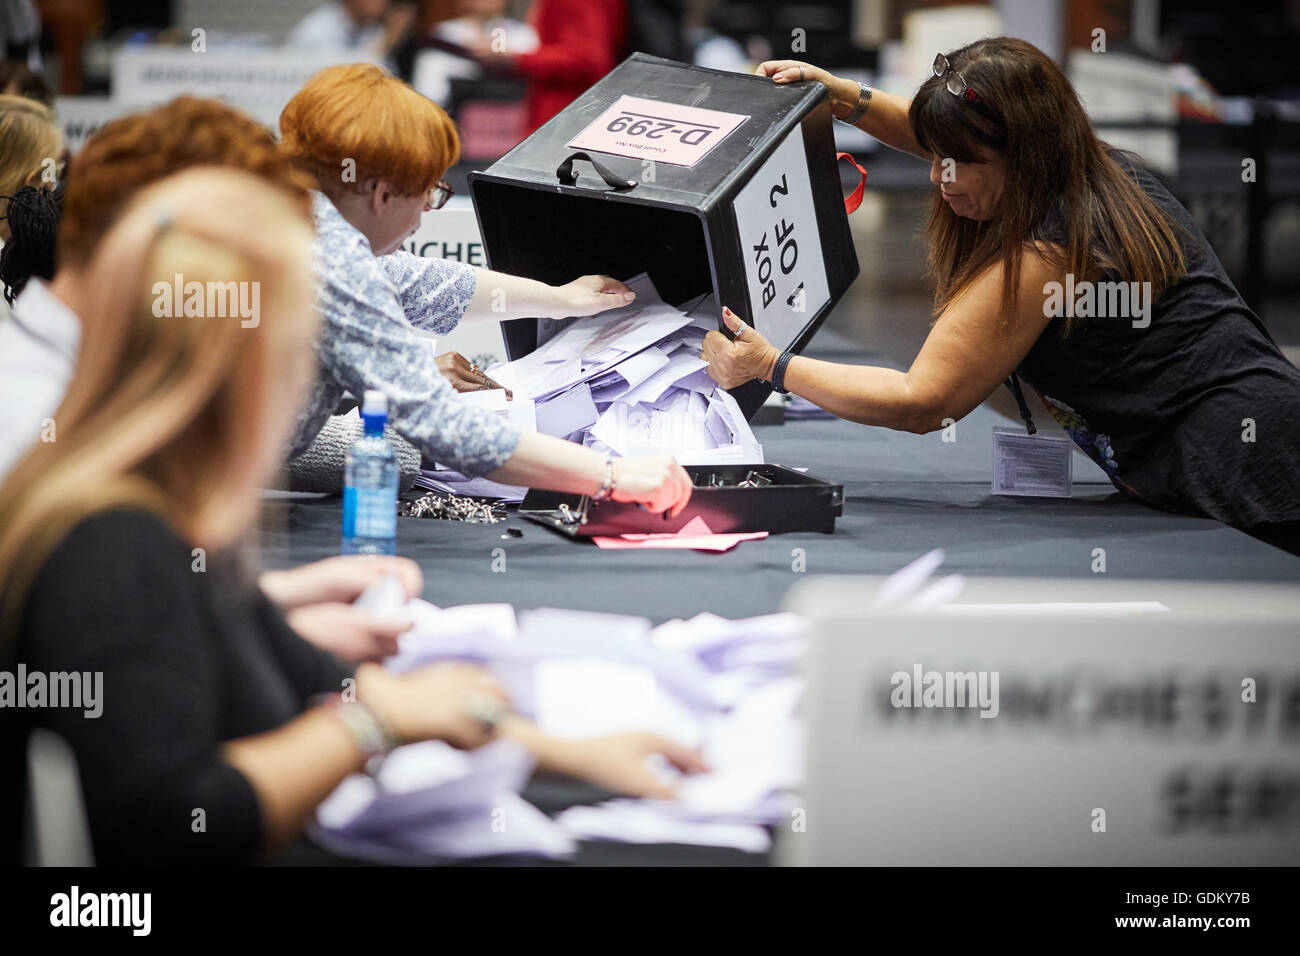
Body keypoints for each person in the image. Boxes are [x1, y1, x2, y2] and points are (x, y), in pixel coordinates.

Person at [0, 168, 704, 866]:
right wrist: (375, 726)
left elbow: (297, 662)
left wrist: (556, 751)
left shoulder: (138, 510)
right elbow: (179, 822)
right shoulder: (114, 535)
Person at [702, 38, 1300, 554]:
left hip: (1250, 471)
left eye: (962, 162)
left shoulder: (1052, 251)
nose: (942, 177)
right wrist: (846, 99)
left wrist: (771, 365)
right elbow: (951, 137)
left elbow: (923, 400)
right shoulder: (1093, 167)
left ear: (1025, 155)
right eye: (938, 156)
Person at [279, 63, 692, 514]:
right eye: (429, 195)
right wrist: (612, 475)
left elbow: (423, 284)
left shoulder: (295, 219)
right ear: (382, 193)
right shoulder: (335, 264)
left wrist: (561, 298)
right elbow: (448, 428)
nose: (423, 218)